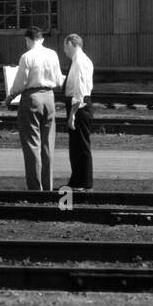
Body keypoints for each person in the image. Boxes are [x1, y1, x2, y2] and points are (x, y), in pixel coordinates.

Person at [4, 26, 64, 191]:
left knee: (32, 144)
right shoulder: (53, 54)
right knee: (47, 144)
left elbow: (20, 83)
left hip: (32, 99)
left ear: (28, 40)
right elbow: (59, 80)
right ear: (42, 39)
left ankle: (35, 188)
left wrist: (10, 97)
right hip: (50, 98)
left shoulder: (26, 56)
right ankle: (48, 186)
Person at [62, 33, 95, 191]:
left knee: (81, 145)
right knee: (76, 146)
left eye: (64, 47)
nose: (64, 51)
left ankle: (84, 182)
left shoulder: (80, 62)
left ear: (70, 44)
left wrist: (72, 114)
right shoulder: (80, 60)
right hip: (80, 106)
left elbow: (80, 91)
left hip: (79, 107)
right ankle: (77, 180)